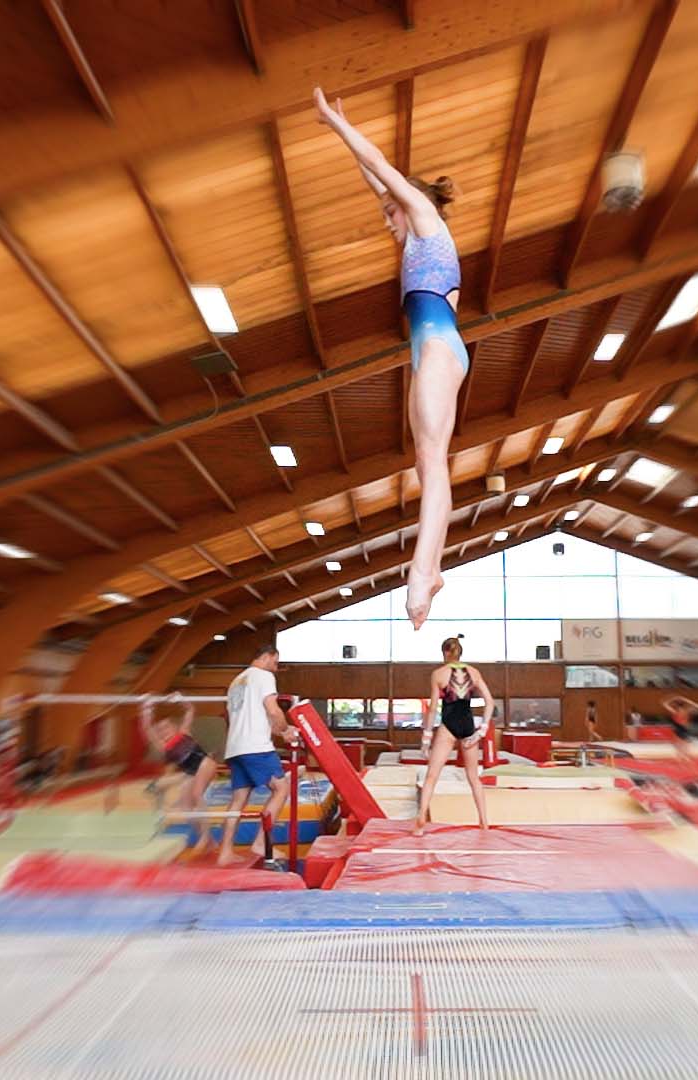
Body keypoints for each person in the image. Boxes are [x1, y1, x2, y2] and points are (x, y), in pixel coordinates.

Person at [315, 85, 464, 630]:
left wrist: (336, 125)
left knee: (434, 460)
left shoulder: (426, 219)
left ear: (409, 204)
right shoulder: (416, 241)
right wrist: (351, 147)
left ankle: (424, 572)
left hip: (439, 347)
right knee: (426, 463)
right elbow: (374, 176)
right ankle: (430, 566)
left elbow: (382, 167)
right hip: (432, 347)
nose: (386, 220)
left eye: (388, 212)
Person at [219, 645, 297, 866]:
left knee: (238, 800)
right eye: (275, 662)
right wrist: (286, 730)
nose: (276, 667)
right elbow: (273, 710)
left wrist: (279, 733)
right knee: (281, 789)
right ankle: (262, 842)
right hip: (256, 747)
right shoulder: (263, 676)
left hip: (235, 747)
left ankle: (225, 852)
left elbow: (254, 719)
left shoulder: (237, 681)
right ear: (266, 657)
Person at [414, 636, 492, 835]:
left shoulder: (438, 674)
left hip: (448, 725)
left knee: (432, 775)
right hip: (468, 725)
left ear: (444, 653)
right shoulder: (474, 673)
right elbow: (490, 702)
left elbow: (433, 708)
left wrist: (426, 738)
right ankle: (484, 822)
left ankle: (421, 818)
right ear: (460, 653)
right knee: (474, 777)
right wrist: (482, 731)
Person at [140, 698, 219, 814]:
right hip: (192, 773)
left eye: (166, 727)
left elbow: (190, 710)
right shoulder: (162, 746)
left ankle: (204, 829)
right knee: (186, 805)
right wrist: (146, 709)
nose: (163, 731)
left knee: (196, 795)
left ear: (174, 727)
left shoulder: (183, 732)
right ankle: (159, 791)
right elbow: (147, 728)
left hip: (205, 768)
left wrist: (181, 699)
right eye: (159, 730)